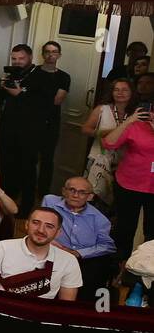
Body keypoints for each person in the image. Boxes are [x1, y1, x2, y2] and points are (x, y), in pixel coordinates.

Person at [0, 43, 54, 217]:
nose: (17, 62)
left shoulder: (41, 76)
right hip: (7, 129)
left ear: (30, 58)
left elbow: (44, 105)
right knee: (7, 167)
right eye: (14, 58)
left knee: (27, 170)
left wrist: (19, 94)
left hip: (29, 132)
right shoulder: (10, 75)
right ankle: (6, 204)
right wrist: (1, 87)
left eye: (21, 58)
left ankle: (25, 208)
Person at [0, 207, 81, 299]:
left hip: (40, 316)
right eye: (36, 223)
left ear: (58, 233)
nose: (41, 230)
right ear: (27, 225)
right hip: (1, 311)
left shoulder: (69, 261)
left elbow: (66, 305)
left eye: (49, 226)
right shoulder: (2, 248)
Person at [42, 177, 116, 299]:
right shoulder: (50, 202)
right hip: (53, 252)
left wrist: (78, 253)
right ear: (63, 191)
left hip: (83, 259)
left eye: (82, 192)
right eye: (72, 190)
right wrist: (52, 243)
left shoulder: (100, 219)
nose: (76, 195)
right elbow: (41, 225)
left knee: (92, 276)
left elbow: (108, 246)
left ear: (90, 197)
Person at [102, 100, 154, 271]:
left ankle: (144, 271)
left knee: (152, 229)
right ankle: (115, 268)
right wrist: (129, 121)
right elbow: (108, 143)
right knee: (125, 226)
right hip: (129, 183)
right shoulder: (136, 126)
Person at [81, 77, 132, 208]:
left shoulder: (135, 113)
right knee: (92, 194)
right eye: (116, 89)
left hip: (124, 161)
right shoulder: (102, 109)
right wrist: (104, 133)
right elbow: (85, 129)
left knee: (117, 198)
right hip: (99, 158)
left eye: (124, 90)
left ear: (132, 92)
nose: (120, 93)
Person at [35, 41, 71, 199]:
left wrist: (35, 97)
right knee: (27, 158)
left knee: (47, 160)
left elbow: (57, 100)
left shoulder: (64, 77)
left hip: (51, 124)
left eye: (54, 51)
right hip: (30, 123)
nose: (51, 55)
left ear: (59, 55)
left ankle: (43, 194)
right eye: (48, 51)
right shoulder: (33, 72)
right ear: (43, 54)